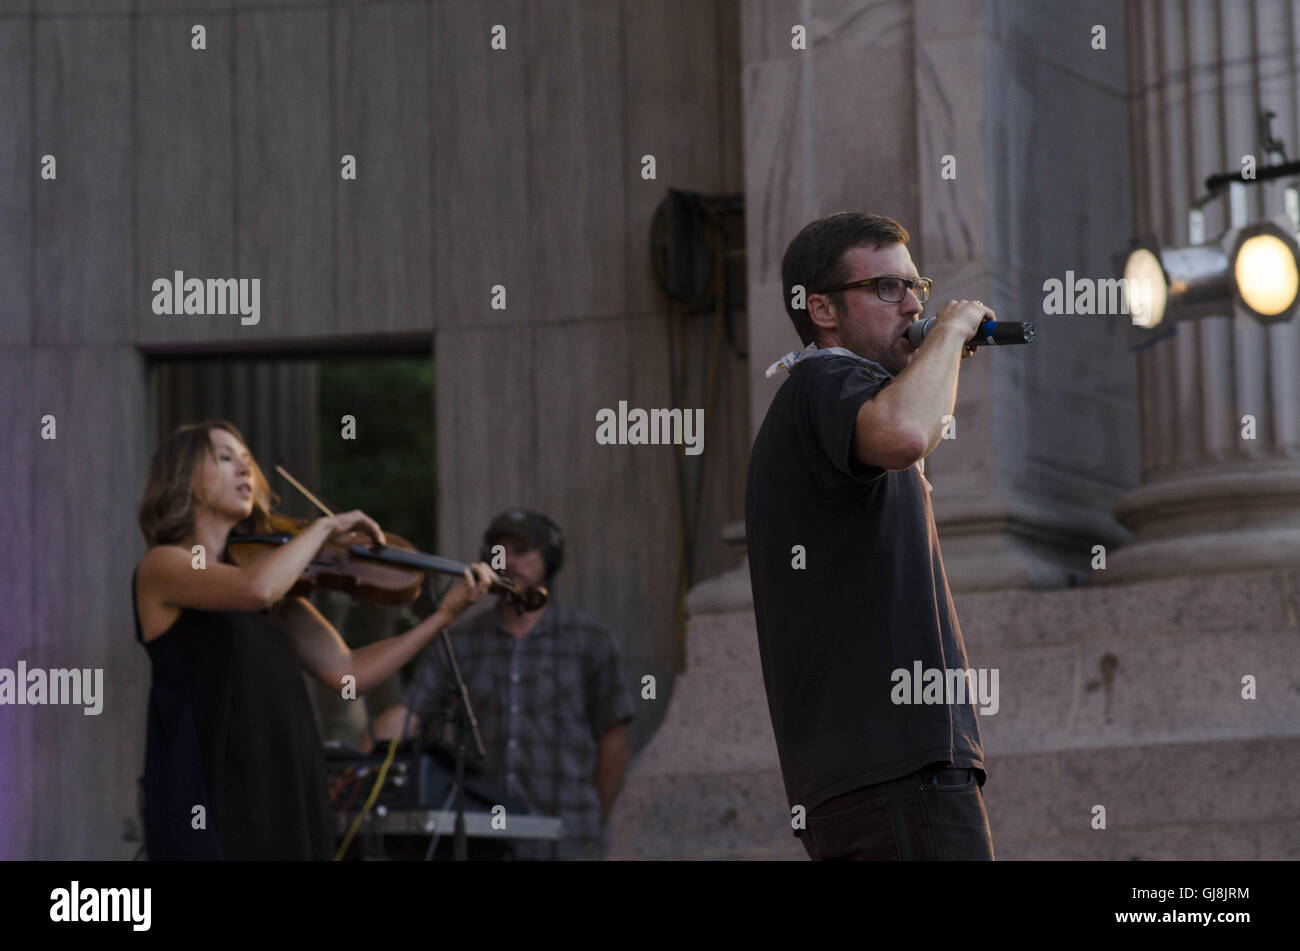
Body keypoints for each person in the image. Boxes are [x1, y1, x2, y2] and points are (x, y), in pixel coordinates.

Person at [746, 211, 995, 860]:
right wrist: (955, 329)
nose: (915, 304)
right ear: (821, 308)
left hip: (876, 773)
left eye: (918, 287)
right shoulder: (829, 378)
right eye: (888, 288)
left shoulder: (826, 397)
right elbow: (908, 431)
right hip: (892, 768)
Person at [132, 420, 495, 859]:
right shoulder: (163, 566)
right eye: (225, 459)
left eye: (248, 462)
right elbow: (254, 588)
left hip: (283, 783)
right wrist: (321, 529)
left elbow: (348, 675)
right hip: (210, 788)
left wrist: (443, 615)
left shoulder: (276, 591)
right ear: (182, 478)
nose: (245, 470)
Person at [374, 509, 635, 860]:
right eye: (499, 551)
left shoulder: (589, 638)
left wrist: (590, 820)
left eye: (522, 550)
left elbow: (614, 744)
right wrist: (362, 762)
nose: (508, 560)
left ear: (549, 560)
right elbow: (409, 713)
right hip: (486, 839)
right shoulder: (460, 641)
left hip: (566, 838)